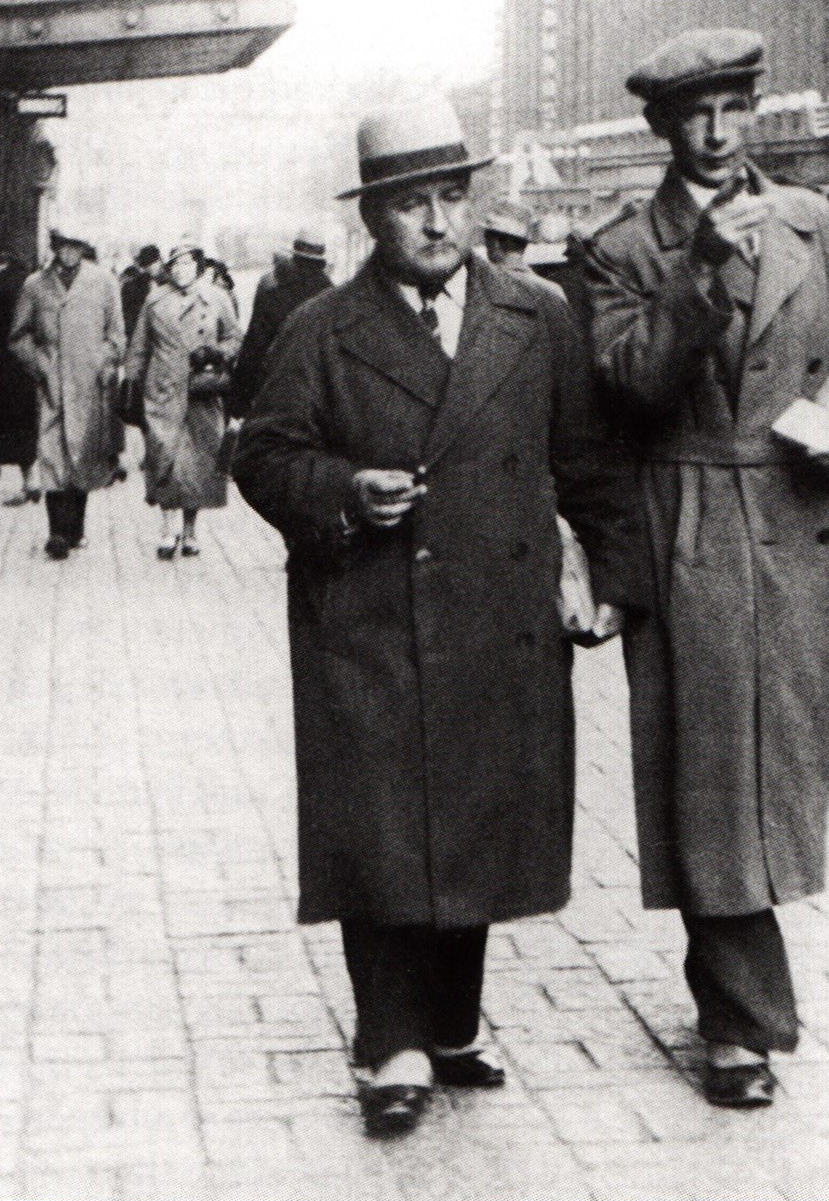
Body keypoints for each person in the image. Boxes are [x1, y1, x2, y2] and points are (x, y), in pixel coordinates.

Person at [233, 93, 646, 1138]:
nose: (435, 223)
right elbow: (264, 456)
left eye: (451, 197)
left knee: (474, 825)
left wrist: (615, 585)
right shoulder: (324, 330)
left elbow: (588, 465)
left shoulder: (536, 316)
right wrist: (339, 490)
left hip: (500, 620)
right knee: (380, 830)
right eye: (410, 204)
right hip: (368, 619)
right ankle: (391, 1042)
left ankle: (451, 1024)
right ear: (373, 219)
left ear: (475, 201)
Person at [580, 29, 829, 1109]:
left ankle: (738, 1000)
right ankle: (740, 1024)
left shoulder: (813, 218)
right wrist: (704, 267)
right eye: (695, 115)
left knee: (788, 764)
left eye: (735, 110)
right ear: (662, 126)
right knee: (712, 774)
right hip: (694, 520)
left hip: (798, 513)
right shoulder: (623, 248)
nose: (718, 134)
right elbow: (628, 385)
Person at [9, 228, 125, 560]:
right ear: (54, 248)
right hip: (52, 385)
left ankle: (76, 529)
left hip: (89, 385)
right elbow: (18, 336)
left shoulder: (104, 282)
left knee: (82, 454)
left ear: (84, 248)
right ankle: (56, 533)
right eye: (62, 246)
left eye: (75, 246)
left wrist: (102, 360)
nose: (68, 253)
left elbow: (117, 335)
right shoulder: (35, 284)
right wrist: (40, 365)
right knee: (52, 454)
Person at [126, 240, 242, 559]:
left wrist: (216, 352)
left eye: (188, 265)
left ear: (199, 268)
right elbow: (139, 345)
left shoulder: (217, 298)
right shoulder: (155, 300)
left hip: (203, 391)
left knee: (199, 464)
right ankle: (167, 528)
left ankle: (190, 531)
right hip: (163, 389)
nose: (182, 271)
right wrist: (131, 384)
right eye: (176, 266)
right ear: (169, 269)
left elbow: (235, 338)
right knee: (164, 458)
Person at [228, 228, 334, 421]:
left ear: (294, 257)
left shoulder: (274, 295)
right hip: (321, 401)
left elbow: (254, 349)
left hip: (279, 394)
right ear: (322, 260)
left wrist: (239, 401)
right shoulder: (335, 299)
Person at [0, 248, 39, 505]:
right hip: (29, 366)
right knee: (27, 423)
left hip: (5, 367)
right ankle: (30, 481)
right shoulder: (31, 282)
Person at [481, 198, 564, 300]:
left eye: (486, 236)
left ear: (495, 242)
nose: (485, 243)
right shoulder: (553, 291)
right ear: (524, 243)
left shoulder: (482, 290)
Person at [121, 243, 162, 344]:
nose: (154, 267)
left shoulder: (167, 284)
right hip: (142, 336)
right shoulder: (131, 286)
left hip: (154, 335)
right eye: (150, 264)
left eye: (156, 263)